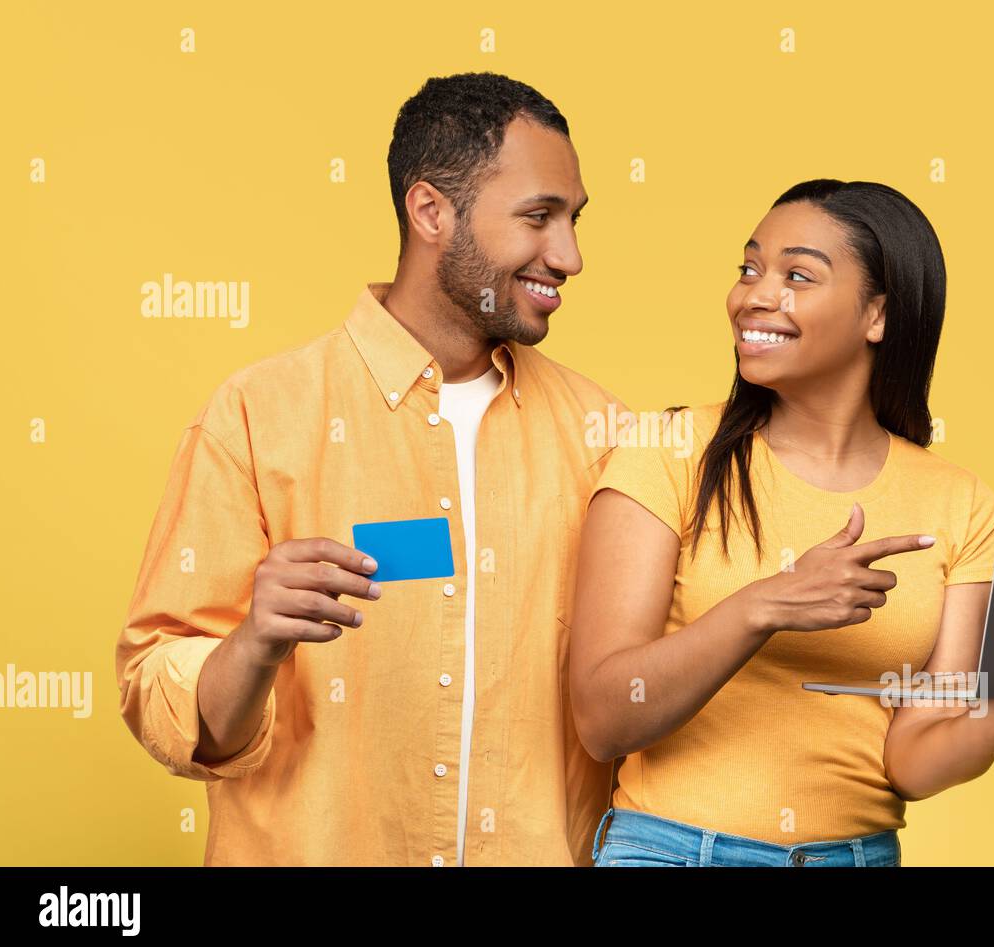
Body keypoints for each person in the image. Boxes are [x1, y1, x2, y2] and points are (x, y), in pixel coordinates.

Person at [116, 72, 624, 866]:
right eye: (539, 217)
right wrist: (253, 642)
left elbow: (640, 692)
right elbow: (159, 698)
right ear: (430, 212)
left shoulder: (604, 436)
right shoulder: (258, 415)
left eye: (574, 220)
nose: (570, 256)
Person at [569, 179, 994, 867]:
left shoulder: (962, 504)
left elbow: (911, 762)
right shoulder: (667, 453)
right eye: (749, 269)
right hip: (672, 852)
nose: (755, 295)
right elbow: (604, 719)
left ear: (878, 317)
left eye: (797, 275)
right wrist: (764, 605)